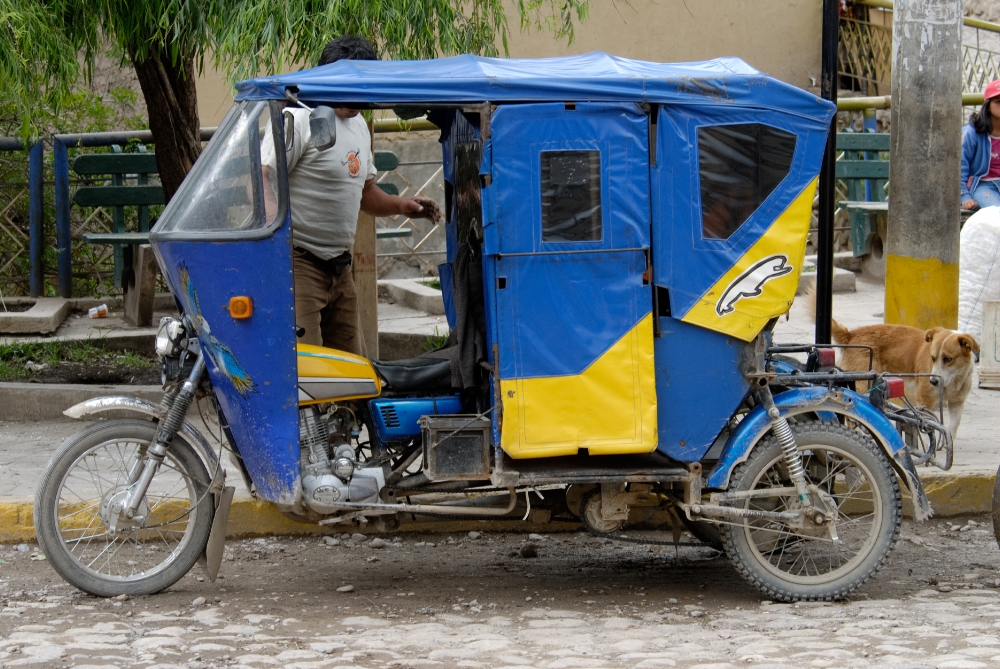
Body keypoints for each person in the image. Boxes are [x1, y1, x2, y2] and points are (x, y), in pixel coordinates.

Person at [261, 35, 440, 355]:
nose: (356, 95)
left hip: (340, 270)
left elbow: (365, 193)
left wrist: (403, 205)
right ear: (328, 80)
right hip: (299, 264)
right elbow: (262, 178)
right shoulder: (299, 117)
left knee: (349, 370)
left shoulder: (358, 126)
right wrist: (275, 241)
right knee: (305, 373)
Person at [962, 79, 1000, 211]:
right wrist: (964, 196)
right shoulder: (971, 133)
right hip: (983, 185)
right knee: (996, 213)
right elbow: (960, 165)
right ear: (987, 105)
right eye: (998, 102)